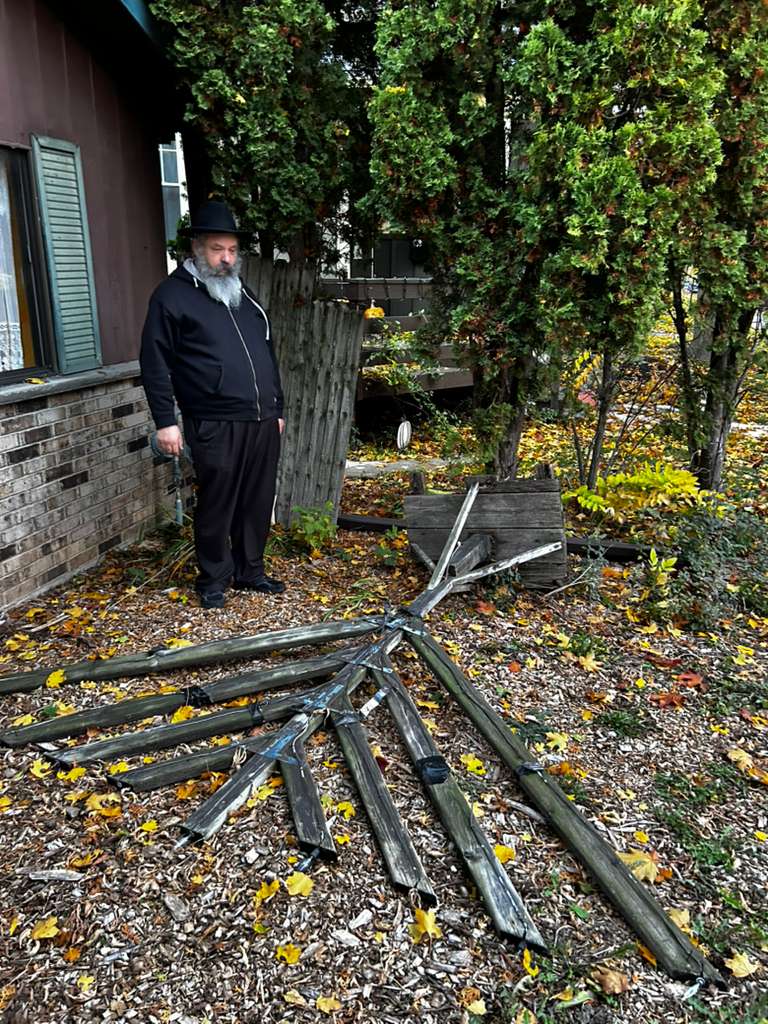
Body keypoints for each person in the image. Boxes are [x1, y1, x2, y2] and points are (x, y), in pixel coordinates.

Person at [140, 200, 285, 609]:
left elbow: (267, 354)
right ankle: (214, 578)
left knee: (257, 499)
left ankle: (250, 571)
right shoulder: (171, 296)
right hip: (214, 420)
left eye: (232, 250)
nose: (226, 259)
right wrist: (165, 421)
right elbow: (154, 361)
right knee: (218, 501)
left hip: (261, 419)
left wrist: (277, 409)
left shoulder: (244, 296)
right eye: (218, 249)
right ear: (197, 248)